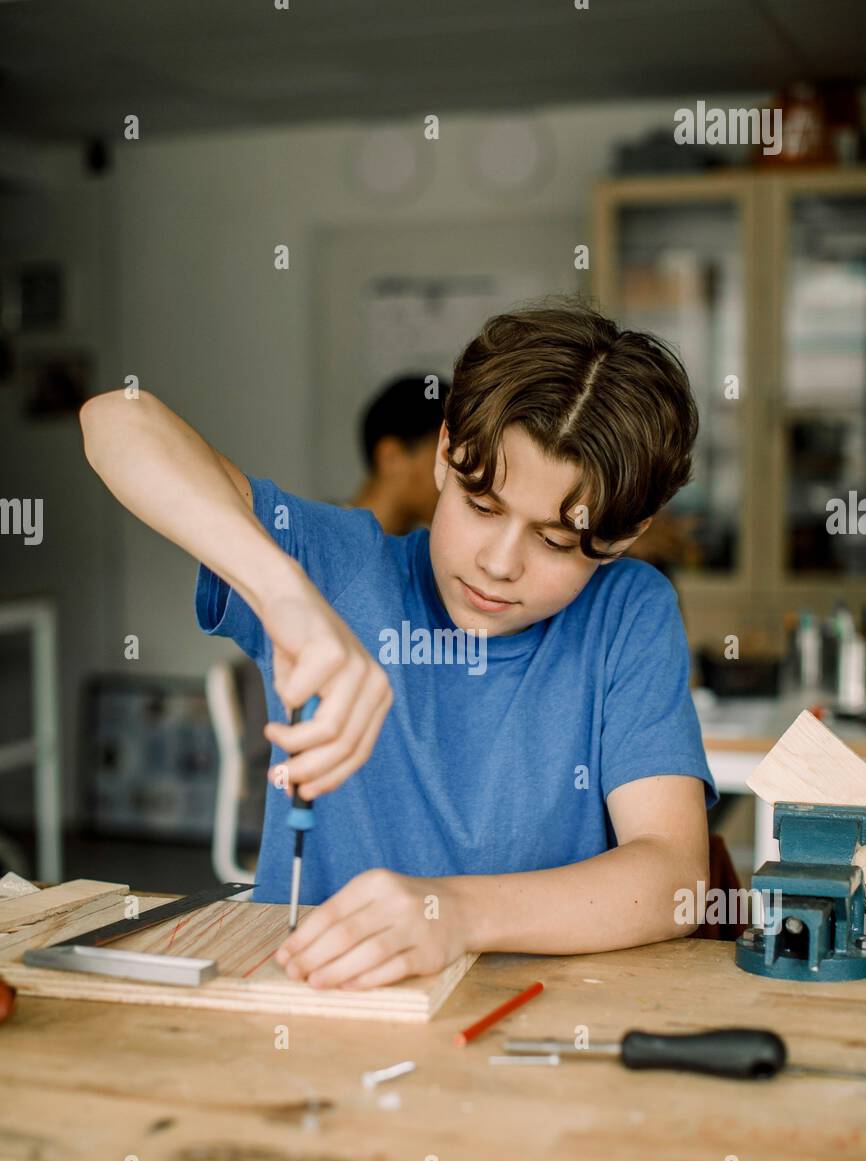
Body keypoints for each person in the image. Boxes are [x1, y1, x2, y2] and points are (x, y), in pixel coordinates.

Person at [79, 295, 717, 991]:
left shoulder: (629, 613)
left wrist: (456, 914)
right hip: (319, 1011)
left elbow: (674, 876)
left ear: (625, 535)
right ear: (445, 453)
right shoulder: (339, 567)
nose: (499, 562)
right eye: (481, 506)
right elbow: (117, 419)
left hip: (535, 1027)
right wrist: (283, 592)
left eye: (556, 541)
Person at [349, 375, 450, 534]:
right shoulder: (310, 542)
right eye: (447, 456)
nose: (458, 477)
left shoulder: (430, 554)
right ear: (391, 457)